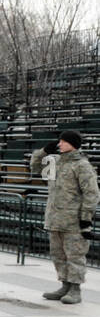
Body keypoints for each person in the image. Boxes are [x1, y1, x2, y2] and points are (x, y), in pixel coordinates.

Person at [31, 130, 98, 304]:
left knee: (75, 255)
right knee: (58, 255)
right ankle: (65, 285)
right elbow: (35, 167)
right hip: (55, 218)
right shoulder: (56, 162)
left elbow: (92, 193)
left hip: (73, 221)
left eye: (63, 141)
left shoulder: (82, 165)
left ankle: (75, 289)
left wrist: (85, 218)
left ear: (73, 144)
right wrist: (44, 151)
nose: (59, 144)